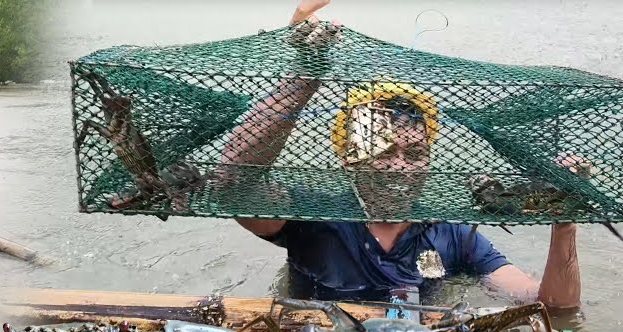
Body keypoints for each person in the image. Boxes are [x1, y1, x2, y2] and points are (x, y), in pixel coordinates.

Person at [215, 0, 582, 309]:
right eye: (383, 150)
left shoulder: (454, 236)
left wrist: (564, 223)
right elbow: (231, 187)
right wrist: (304, 76)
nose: (399, 167)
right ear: (348, 156)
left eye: (415, 152)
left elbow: (553, 307)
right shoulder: (311, 219)